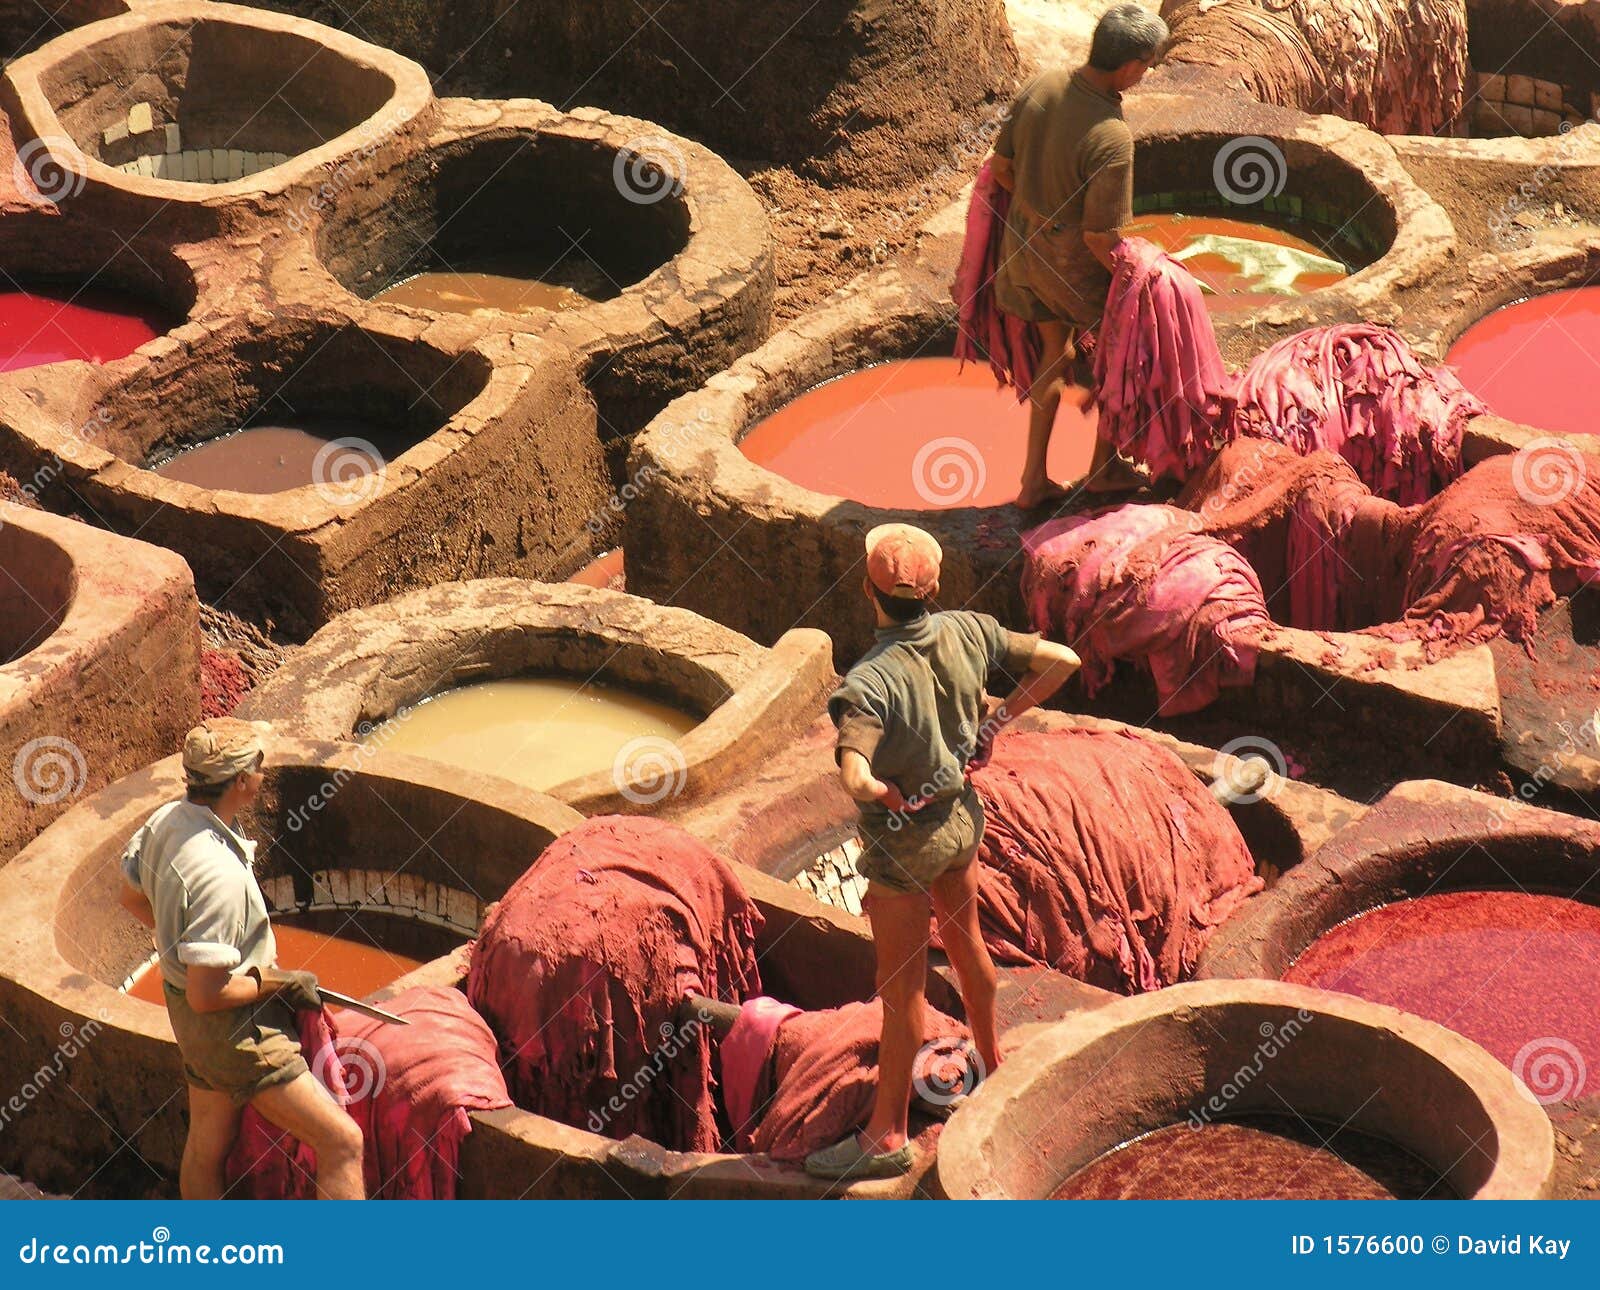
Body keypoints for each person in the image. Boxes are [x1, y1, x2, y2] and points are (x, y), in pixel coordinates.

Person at [804, 525, 1081, 1179]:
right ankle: (993, 1063)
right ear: (934, 590)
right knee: (967, 948)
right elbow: (1062, 662)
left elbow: (853, 767)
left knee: (901, 995)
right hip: (961, 825)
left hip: (903, 851)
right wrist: (997, 718)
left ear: (867, 591)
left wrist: (878, 788)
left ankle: (886, 1136)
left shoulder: (871, 681)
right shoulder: (968, 630)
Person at [119, 718, 365, 1200]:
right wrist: (275, 982)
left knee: (208, 1145)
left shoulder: (167, 821)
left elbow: (128, 895)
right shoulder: (219, 878)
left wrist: (176, 946)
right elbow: (208, 994)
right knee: (342, 1142)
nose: (263, 769)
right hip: (235, 1032)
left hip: (189, 1024)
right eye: (258, 763)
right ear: (241, 782)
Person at [990, 3, 1169, 507]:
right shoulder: (1112, 138)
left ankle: (1033, 482)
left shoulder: (1040, 85)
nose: (1145, 74)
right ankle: (1105, 471)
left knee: (1056, 353)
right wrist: (1147, 285)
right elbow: (1099, 238)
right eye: (1148, 66)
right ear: (1131, 66)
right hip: (1073, 267)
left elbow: (1001, 166)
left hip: (1024, 250)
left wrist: (1038, 210)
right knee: (1124, 356)